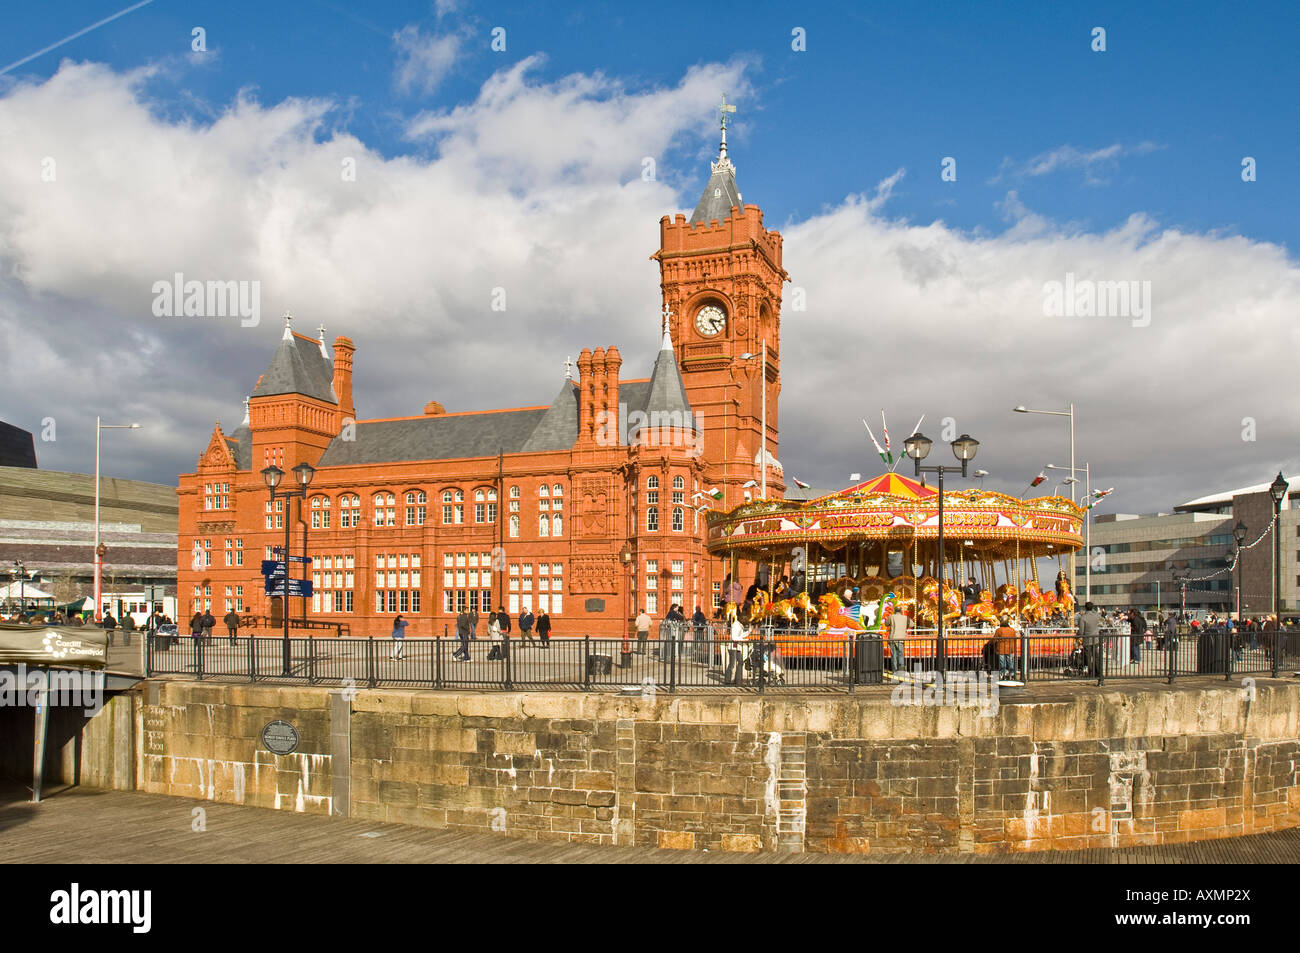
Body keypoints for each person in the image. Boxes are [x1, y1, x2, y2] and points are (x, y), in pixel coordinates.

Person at [1078, 602, 1104, 677]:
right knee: (1096, 656)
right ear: (1092, 608)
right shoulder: (1096, 615)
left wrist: (1078, 635)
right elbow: (1102, 621)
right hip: (1095, 639)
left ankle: (1091, 672)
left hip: (1087, 640)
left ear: (1085, 608)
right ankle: (1098, 672)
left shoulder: (1083, 617)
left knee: (1088, 657)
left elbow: (1081, 631)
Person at [993, 615, 1019, 680]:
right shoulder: (1012, 630)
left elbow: (995, 639)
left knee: (1002, 663)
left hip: (1001, 648)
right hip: (1010, 648)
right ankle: (1012, 674)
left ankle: (1003, 674)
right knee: (1010, 661)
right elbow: (1014, 638)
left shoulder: (999, 630)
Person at [725, 611, 747, 685]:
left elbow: (739, 636)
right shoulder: (736, 625)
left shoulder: (739, 625)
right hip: (733, 646)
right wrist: (744, 640)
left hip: (737, 647)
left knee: (740, 662)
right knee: (732, 664)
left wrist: (748, 633)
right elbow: (734, 638)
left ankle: (738, 680)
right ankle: (727, 681)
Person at [888, 603, 910, 673]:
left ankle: (895, 670)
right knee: (900, 654)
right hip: (901, 638)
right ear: (901, 611)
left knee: (894, 655)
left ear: (895, 611)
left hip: (892, 638)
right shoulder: (905, 617)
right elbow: (911, 624)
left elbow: (886, 623)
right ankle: (901, 669)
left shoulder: (891, 617)